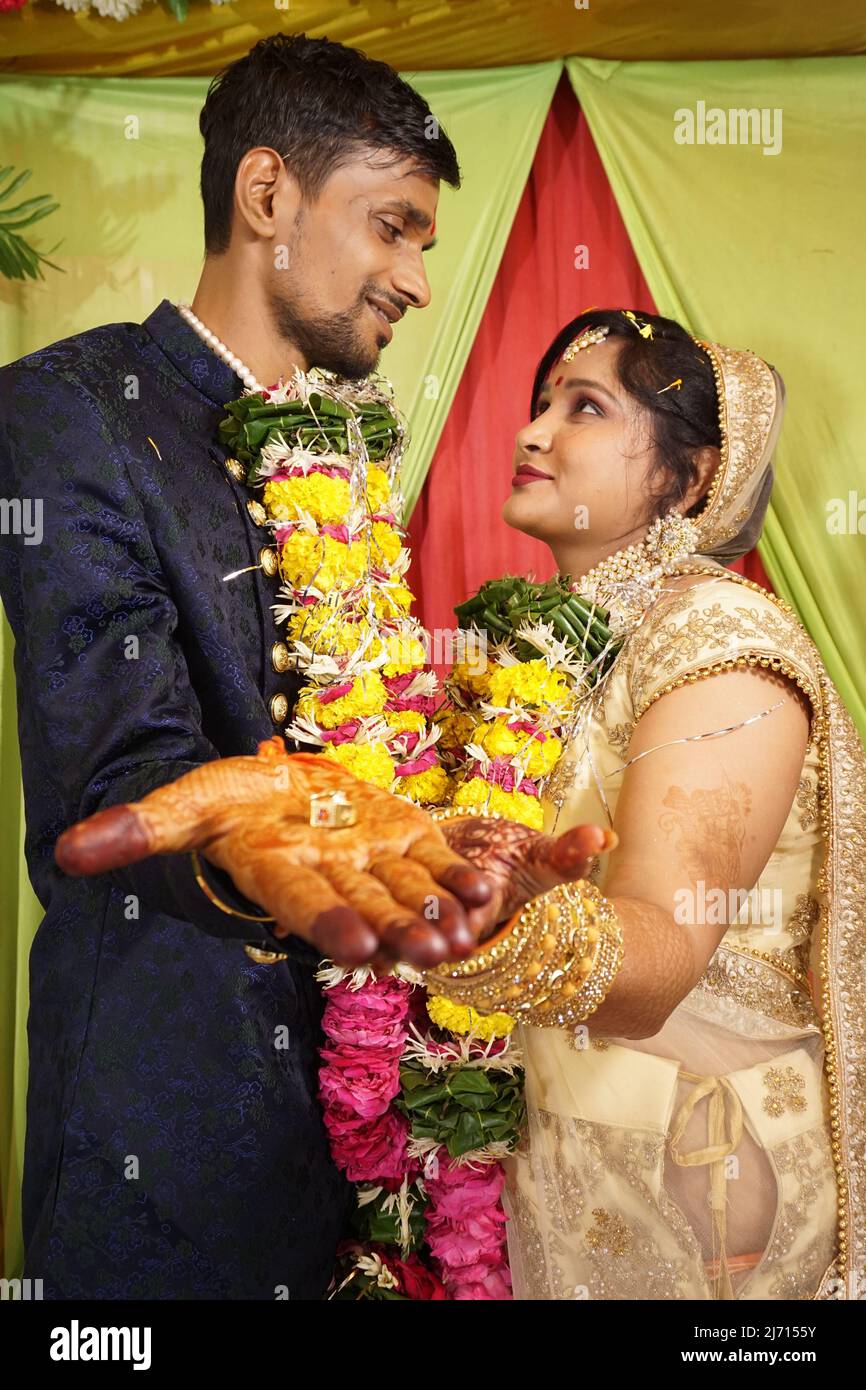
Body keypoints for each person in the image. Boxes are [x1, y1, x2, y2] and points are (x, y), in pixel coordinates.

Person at [0, 31, 493, 1301]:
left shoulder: (349, 454)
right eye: (392, 228)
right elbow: (122, 763)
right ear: (265, 196)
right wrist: (252, 829)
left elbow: (365, 746)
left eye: (425, 243)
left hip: (345, 1129)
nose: (414, 279)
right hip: (165, 1141)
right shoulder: (68, 407)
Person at [421, 308, 866, 1300]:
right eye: (539, 404)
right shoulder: (550, 650)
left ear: (691, 474)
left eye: (582, 407)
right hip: (564, 1161)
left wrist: (516, 907)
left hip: (698, 1184)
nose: (532, 433)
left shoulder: (713, 635)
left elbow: (662, 950)